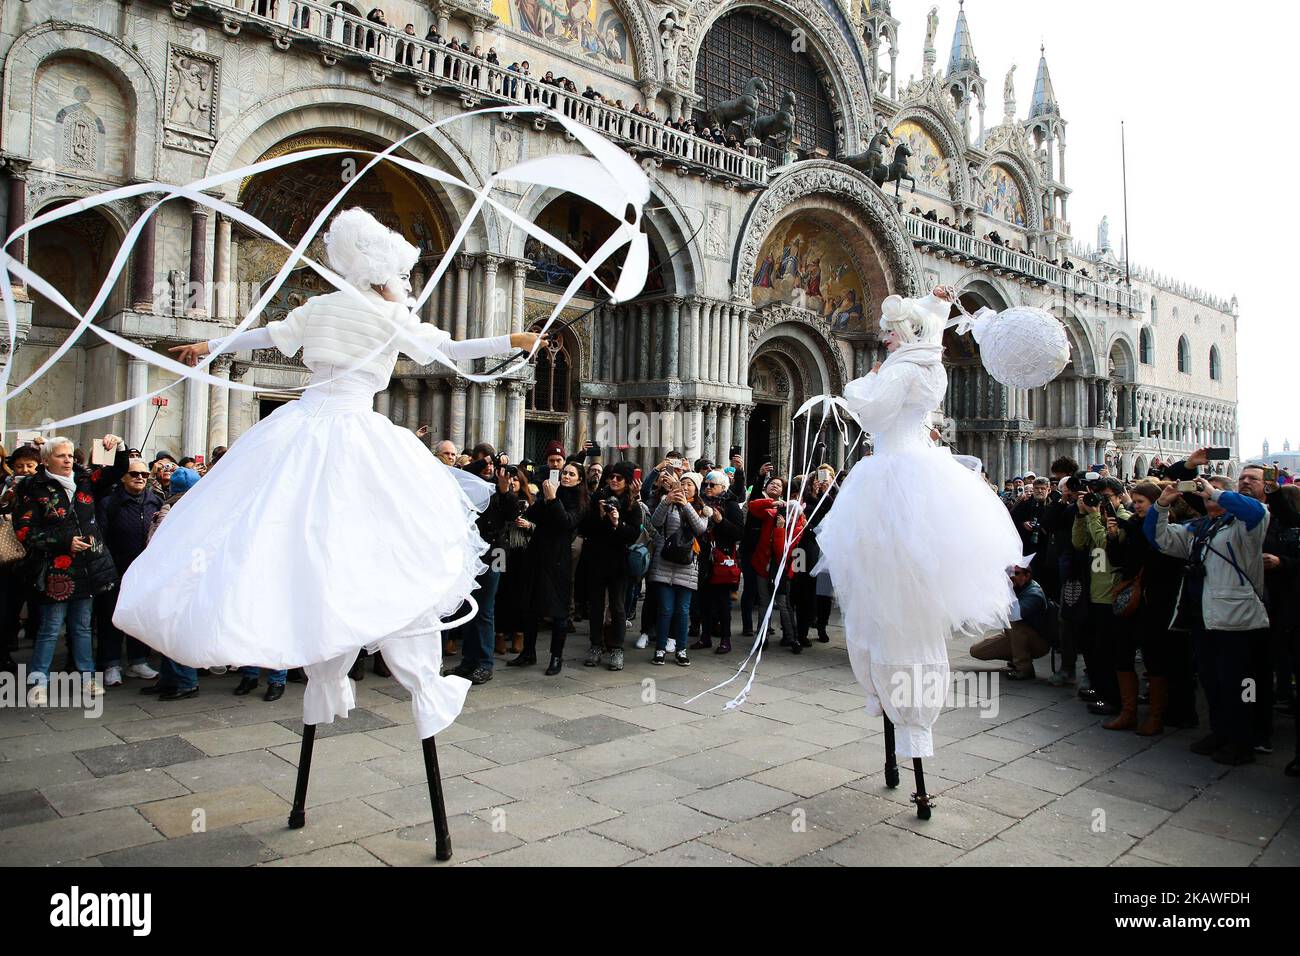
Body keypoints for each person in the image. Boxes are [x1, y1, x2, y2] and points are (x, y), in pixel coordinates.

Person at [114, 208, 542, 741]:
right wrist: (512, 342)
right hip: (356, 429)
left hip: (298, 429)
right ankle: (419, 685)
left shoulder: (319, 307)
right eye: (403, 277)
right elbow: (452, 351)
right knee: (388, 551)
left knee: (306, 544)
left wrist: (206, 346)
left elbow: (264, 334)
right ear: (382, 274)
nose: (408, 286)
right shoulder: (391, 318)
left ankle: (325, 680)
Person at [814, 287, 1023, 760]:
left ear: (906, 333)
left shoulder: (903, 369)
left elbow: (871, 414)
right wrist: (939, 304)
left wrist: (857, 385)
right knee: (912, 600)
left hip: (891, 476)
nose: (884, 338)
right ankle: (905, 719)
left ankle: (896, 707)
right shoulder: (933, 367)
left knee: (888, 601)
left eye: (890, 332)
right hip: (921, 474)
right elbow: (929, 326)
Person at [1145, 477, 1270, 765]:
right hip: (1202, 613)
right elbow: (1159, 539)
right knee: (1211, 680)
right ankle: (1219, 732)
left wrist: (1216, 492)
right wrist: (1163, 503)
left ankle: (1242, 740)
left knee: (1237, 682)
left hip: (1235, 617)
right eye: (1203, 492)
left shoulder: (1245, 526)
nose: (1207, 495)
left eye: (1213, 491)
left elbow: (1257, 511)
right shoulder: (1199, 527)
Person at [14, 437, 119, 704]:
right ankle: (39, 681)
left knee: (82, 626)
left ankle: (87, 678)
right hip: (56, 569)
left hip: (86, 567)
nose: (68, 460)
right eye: (61, 456)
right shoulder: (32, 487)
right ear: (46, 460)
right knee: (51, 627)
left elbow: (116, 472)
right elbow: (25, 530)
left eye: (70, 455)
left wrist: (117, 446)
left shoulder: (85, 480)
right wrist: (63, 542)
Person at [1103, 480, 1185, 734]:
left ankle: (1155, 715)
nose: (1136, 506)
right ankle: (1128, 712)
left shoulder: (1166, 529)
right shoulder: (1135, 525)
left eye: (1140, 502)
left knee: (1154, 657)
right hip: (1131, 599)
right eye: (1135, 502)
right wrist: (1114, 537)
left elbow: (1163, 563)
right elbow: (1118, 561)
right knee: (1122, 653)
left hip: (1154, 601)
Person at [509, 457, 586, 673]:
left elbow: (566, 523)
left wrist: (553, 500)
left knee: (558, 610)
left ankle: (556, 657)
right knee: (530, 606)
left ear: (580, 480)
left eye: (572, 474)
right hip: (537, 554)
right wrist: (543, 498)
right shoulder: (552, 493)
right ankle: (528, 652)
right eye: (565, 473)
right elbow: (532, 515)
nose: (567, 477)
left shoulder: (580, 503)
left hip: (558, 560)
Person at [95, 456, 163, 687]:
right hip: (116, 567)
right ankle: (112, 663)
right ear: (124, 476)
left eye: (144, 474)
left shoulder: (155, 501)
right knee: (110, 616)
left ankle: (138, 660)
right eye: (135, 474)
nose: (140, 478)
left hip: (144, 570)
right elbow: (101, 536)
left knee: (139, 614)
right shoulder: (109, 502)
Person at [1071, 476, 1132, 718]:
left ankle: (1115, 699)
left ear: (1119, 497)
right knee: (1093, 648)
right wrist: (1080, 515)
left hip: (1112, 593)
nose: (1101, 502)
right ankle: (1101, 690)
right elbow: (1078, 543)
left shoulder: (1125, 520)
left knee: (1109, 650)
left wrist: (1095, 515)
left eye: (1107, 497)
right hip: (1094, 591)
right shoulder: (1093, 516)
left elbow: (1104, 543)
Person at [579, 460, 642, 671]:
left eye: (619, 478)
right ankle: (596, 645)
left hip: (618, 563)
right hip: (596, 560)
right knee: (596, 606)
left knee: (617, 606)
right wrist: (598, 514)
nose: (614, 481)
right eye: (612, 477)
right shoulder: (599, 497)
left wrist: (617, 523)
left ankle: (616, 649)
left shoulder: (632, 504)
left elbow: (633, 534)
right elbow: (585, 527)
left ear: (627, 482)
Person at [646, 471, 708, 666]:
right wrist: (666, 501)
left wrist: (685, 504)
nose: (686, 487)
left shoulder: (700, 507)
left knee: (682, 610)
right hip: (664, 563)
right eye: (683, 483)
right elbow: (655, 523)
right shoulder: (667, 502)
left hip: (687, 565)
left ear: (696, 489)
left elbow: (700, 528)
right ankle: (660, 649)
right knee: (665, 609)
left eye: (690, 484)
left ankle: (681, 649)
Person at [747, 476, 805, 653]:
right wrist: (775, 503)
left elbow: (783, 552)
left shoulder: (799, 524)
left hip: (783, 568)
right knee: (764, 602)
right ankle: (762, 637)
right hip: (763, 565)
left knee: (782, 603)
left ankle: (791, 637)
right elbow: (753, 506)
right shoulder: (773, 513)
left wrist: (780, 529)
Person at [691, 469, 745, 654]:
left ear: (722, 487)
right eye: (705, 484)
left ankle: (725, 639)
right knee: (704, 601)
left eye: (711, 485)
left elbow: (739, 533)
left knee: (722, 603)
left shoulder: (731, 505)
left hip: (722, 558)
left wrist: (721, 521)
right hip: (703, 558)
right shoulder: (701, 503)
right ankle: (705, 637)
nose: (707, 488)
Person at [969, 565, 1050, 678]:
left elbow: (1014, 615)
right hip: (1014, 636)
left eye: (1016, 573)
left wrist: (1007, 590)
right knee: (976, 651)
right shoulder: (1016, 588)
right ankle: (1017, 656)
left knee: (1013, 622)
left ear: (1027, 576)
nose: (1011, 577)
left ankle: (1024, 668)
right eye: (1010, 574)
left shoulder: (1034, 593)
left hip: (1039, 643)